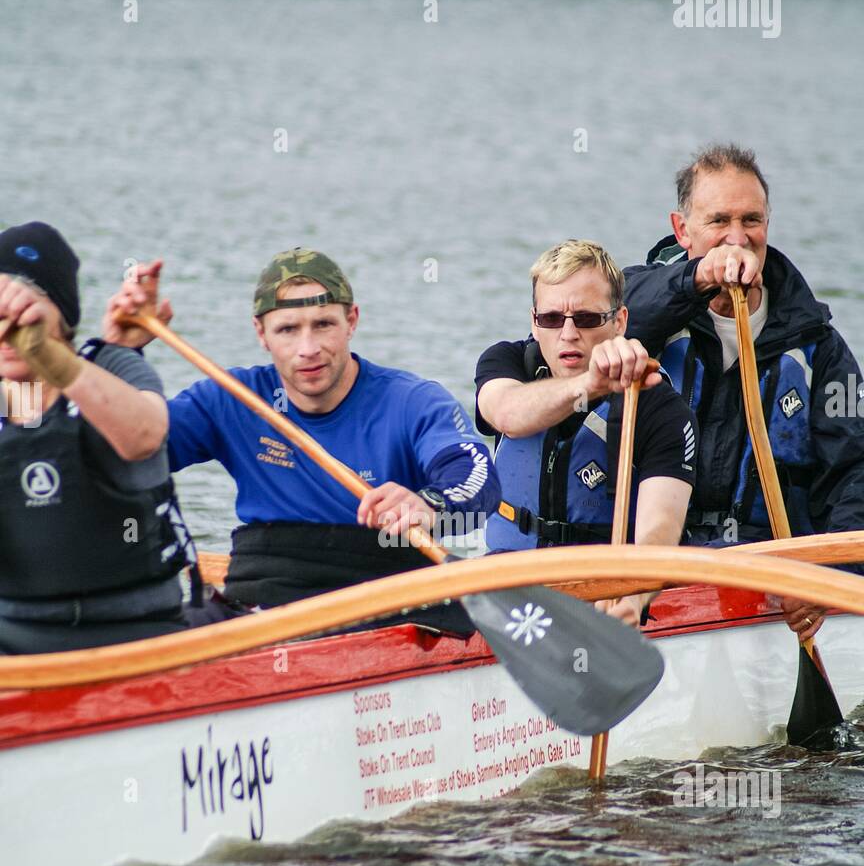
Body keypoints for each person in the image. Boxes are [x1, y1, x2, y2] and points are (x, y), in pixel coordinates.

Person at [105, 249, 500, 629]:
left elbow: (480, 479)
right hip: (264, 594)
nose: (308, 349)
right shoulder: (230, 397)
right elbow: (121, 451)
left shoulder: (412, 401)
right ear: (261, 333)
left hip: (384, 596)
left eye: (323, 325)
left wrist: (430, 504)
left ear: (352, 320)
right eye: (288, 330)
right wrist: (119, 355)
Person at [623, 142, 864, 640]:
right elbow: (610, 319)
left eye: (751, 220)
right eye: (719, 221)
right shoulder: (639, 310)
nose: (738, 237)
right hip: (657, 569)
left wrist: (828, 582)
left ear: (768, 225)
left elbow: (854, 475)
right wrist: (698, 278)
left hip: (773, 577)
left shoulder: (818, 345)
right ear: (681, 230)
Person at [474, 239, 698, 628]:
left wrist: (633, 597)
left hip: (603, 591)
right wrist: (591, 384)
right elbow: (507, 414)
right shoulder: (505, 362)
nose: (568, 333)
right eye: (551, 319)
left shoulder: (661, 409)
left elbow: (658, 531)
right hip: (508, 580)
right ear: (533, 321)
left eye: (587, 319)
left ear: (620, 321)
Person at [0, 222, 198, 656]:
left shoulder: (115, 367)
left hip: (134, 631)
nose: (10, 329)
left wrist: (46, 355)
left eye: (26, 311)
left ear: (62, 319)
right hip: (14, 637)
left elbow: (143, 436)